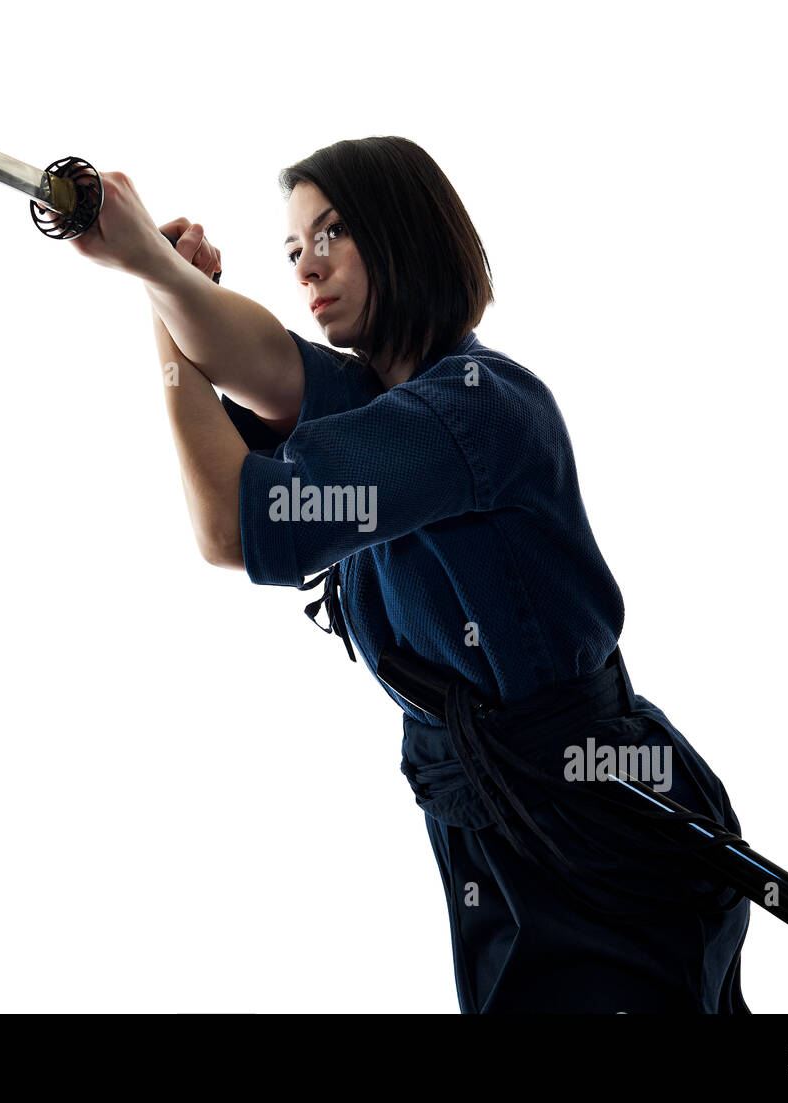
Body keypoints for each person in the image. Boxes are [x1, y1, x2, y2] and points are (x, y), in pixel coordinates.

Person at [57, 136, 752, 1013]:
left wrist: (158, 279)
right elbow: (247, 354)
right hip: (492, 833)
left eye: (332, 232)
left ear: (406, 232)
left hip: (598, 821)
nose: (307, 265)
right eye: (293, 248)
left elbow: (230, 525)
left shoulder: (474, 409)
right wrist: (159, 275)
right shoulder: (379, 400)